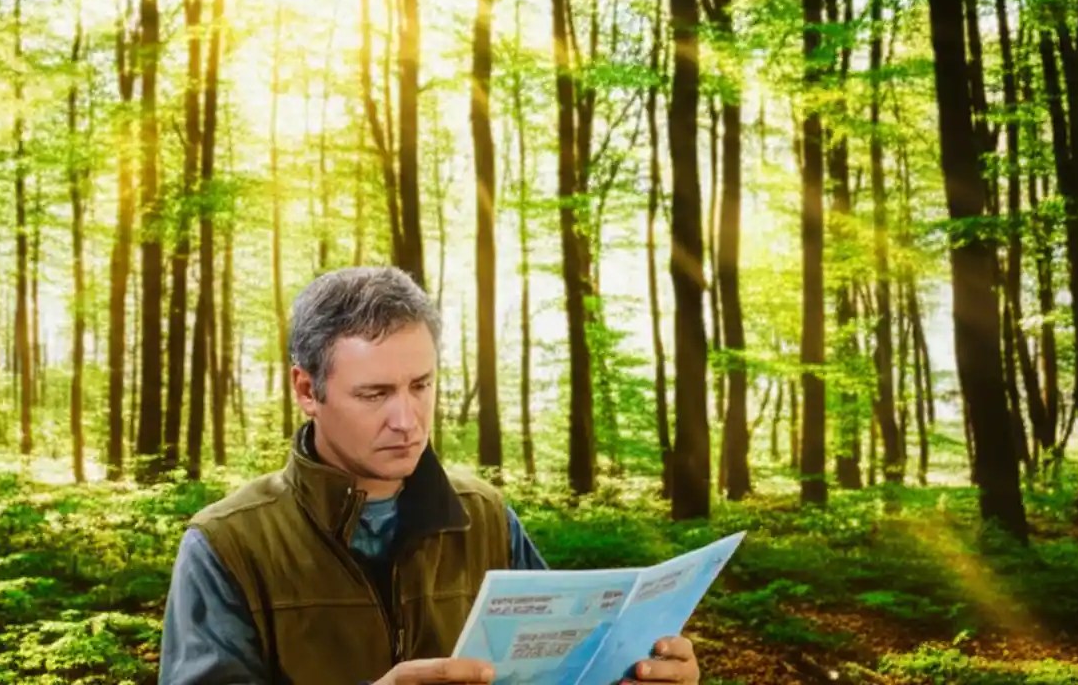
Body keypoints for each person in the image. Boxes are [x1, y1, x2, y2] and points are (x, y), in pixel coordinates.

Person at [158, 266, 700, 684]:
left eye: (421, 385)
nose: (407, 420)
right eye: (374, 394)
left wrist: (631, 674)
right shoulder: (227, 544)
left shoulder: (485, 516)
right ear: (306, 391)